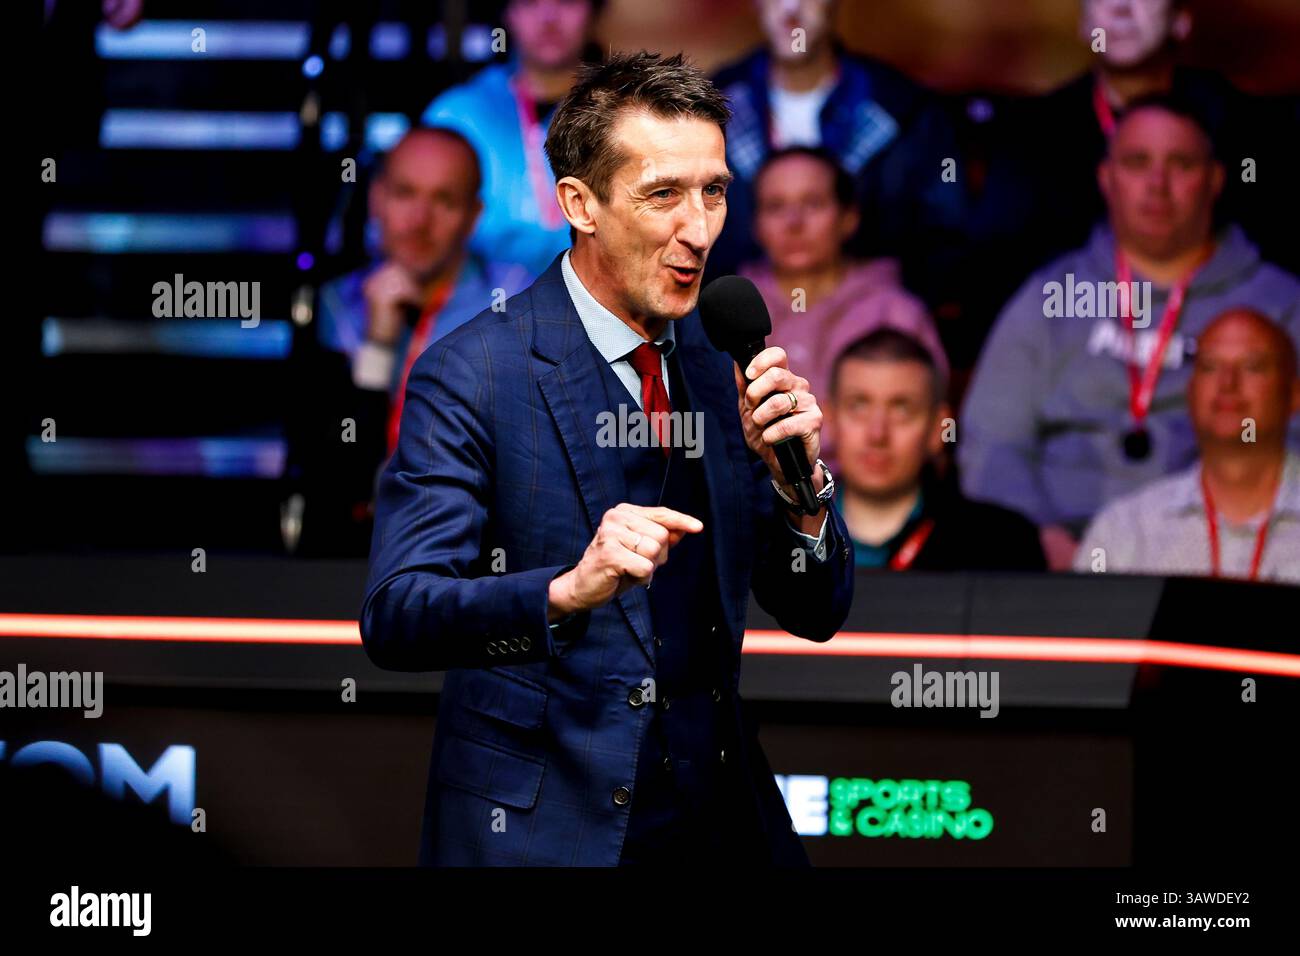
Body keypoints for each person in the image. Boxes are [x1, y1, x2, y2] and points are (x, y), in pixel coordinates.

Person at [361, 52, 854, 867]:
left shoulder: (720, 354)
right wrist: (562, 592)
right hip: (546, 832)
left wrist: (799, 492)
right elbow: (398, 614)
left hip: (721, 827)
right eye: (663, 194)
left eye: (715, 191)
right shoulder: (475, 372)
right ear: (579, 204)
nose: (697, 228)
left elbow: (816, 611)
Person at [958, 95, 1300, 570]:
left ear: (1216, 180)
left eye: (1180, 164)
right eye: (1138, 162)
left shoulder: (1279, 302)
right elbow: (990, 442)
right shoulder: (1050, 296)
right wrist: (1035, 536)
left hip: (1218, 549)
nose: (1158, 185)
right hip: (1058, 555)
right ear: (1106, 178)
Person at [297, 127, 527, 556]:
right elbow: (330, 473)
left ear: (474, 215)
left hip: (470, 551)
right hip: (350, 549)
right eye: (405, 193)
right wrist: (378, 347)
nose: (420, 221)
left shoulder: (518, 305)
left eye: (444, 201)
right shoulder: (330, 311)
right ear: (376, 199)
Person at [1019, 0, 1293, 272]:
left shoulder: (1241, 123)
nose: (1121, 9)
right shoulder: (1035, 133)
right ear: (1084, 25)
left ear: (1181, 21)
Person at [708, 0, 960, 292]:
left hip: (871, 324)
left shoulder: (905, 110)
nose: (791, 7)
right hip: (737, 329)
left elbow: (945, 241)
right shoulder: (709, 109)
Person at [738, 146, 946, 466]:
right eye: (776, 206)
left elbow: (929, 434)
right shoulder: (729, 312)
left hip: (871, 502)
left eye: (813, 203)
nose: (794, 222)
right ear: (756, 225)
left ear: (849, 218)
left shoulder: (895, 311)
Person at [1075, 308, 1300, 585]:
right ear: (1190, 393)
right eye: (1210, 367)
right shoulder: (1125, 530)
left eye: (1252, 367)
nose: (1228, 383)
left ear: (1293, 394)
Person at [827, 329, 1044, 571]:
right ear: (830, 419)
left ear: (937, 428)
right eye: (858, 406)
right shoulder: (785, 534)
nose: (877, 434)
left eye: (902, 409)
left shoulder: (1002, 543)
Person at [420, 0, 604, 276]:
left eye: (567, 1)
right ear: (507, 12)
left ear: (594, 10)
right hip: (475, 311)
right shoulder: (457, 116)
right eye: (530, 2)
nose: (548, 18)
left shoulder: (629, 114)